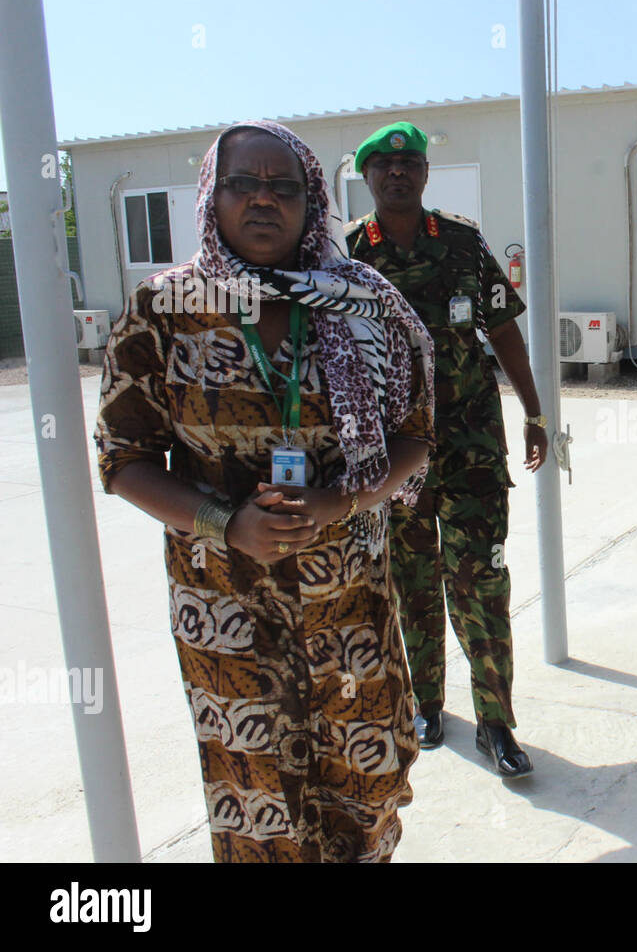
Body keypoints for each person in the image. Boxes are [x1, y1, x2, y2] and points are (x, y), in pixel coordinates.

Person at [95, 120, 437, 862]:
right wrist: (225, 521)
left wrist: (340, 502)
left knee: (368, 786)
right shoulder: (163, 311)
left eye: (283, 187)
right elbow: (122, 458)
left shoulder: (361, 303)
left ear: (313, 202)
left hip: (349, 605)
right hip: (226, 612)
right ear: (210, 199)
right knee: (260, 809)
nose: (262, 200)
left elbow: (415, 437)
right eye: (241, 184)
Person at [345, 122, 545, 778]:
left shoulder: (461, 242)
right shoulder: (345, 256)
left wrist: (536, 411)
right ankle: (426, 706)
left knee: (481, 582)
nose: (398, 173)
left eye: (410, 164)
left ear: (426, 174)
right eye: (385, 165)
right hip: (392, 460)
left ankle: (496, 722)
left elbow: (504, 330)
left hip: (471, 451)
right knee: (412, 585)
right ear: (367, 176)